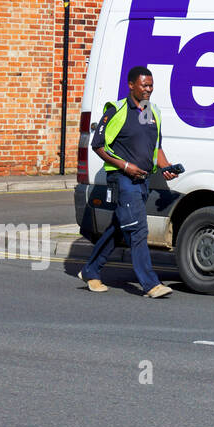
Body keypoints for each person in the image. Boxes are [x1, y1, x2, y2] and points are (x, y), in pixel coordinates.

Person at [79, 65, 178, 298]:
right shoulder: (117, 110)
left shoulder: (151, 112)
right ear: (131, 85)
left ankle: (91, 270)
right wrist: (125, 166)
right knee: (138, 229)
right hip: (123, 180)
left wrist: (166, 167)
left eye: (151, 85)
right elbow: (97, 145)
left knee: (121, 228)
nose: (148, 90)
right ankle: (151, 284)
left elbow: (155, 148)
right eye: (144, 85)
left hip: (142, 181)